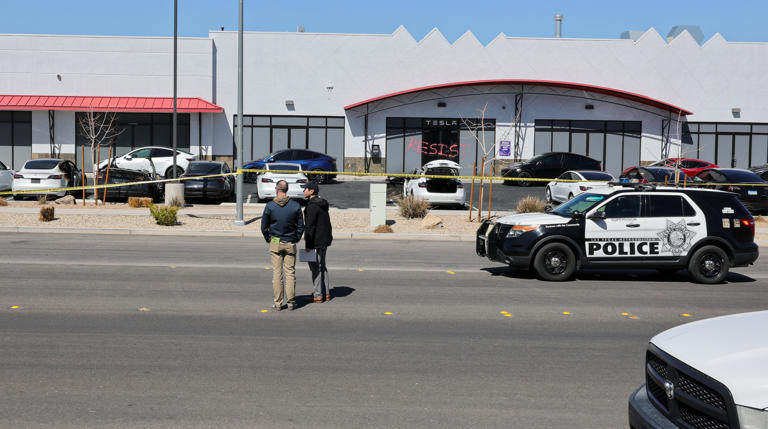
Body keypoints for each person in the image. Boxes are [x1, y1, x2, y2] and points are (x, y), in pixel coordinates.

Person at [261, 179, 304, 311]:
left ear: (277, 189)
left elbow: (264, 226)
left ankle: (278, 302)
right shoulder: (296, 206)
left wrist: (269, 238)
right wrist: (295, 238)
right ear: (287, 190)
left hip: (275, 241)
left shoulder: (270, 205)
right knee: (290, 273)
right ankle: (291, 302)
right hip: (290, 241)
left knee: (277, 274)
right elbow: (301, 226)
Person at [302, 181, 333, 303]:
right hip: (324, 240)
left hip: (315, 241)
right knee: (322, 266)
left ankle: (318, 295)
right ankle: (326, 293)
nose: (304, 191)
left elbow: (309, 227)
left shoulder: (312, 206)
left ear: (311, 191)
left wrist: (308, 245)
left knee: (315, 268)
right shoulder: (322, 204)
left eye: (305, 189)